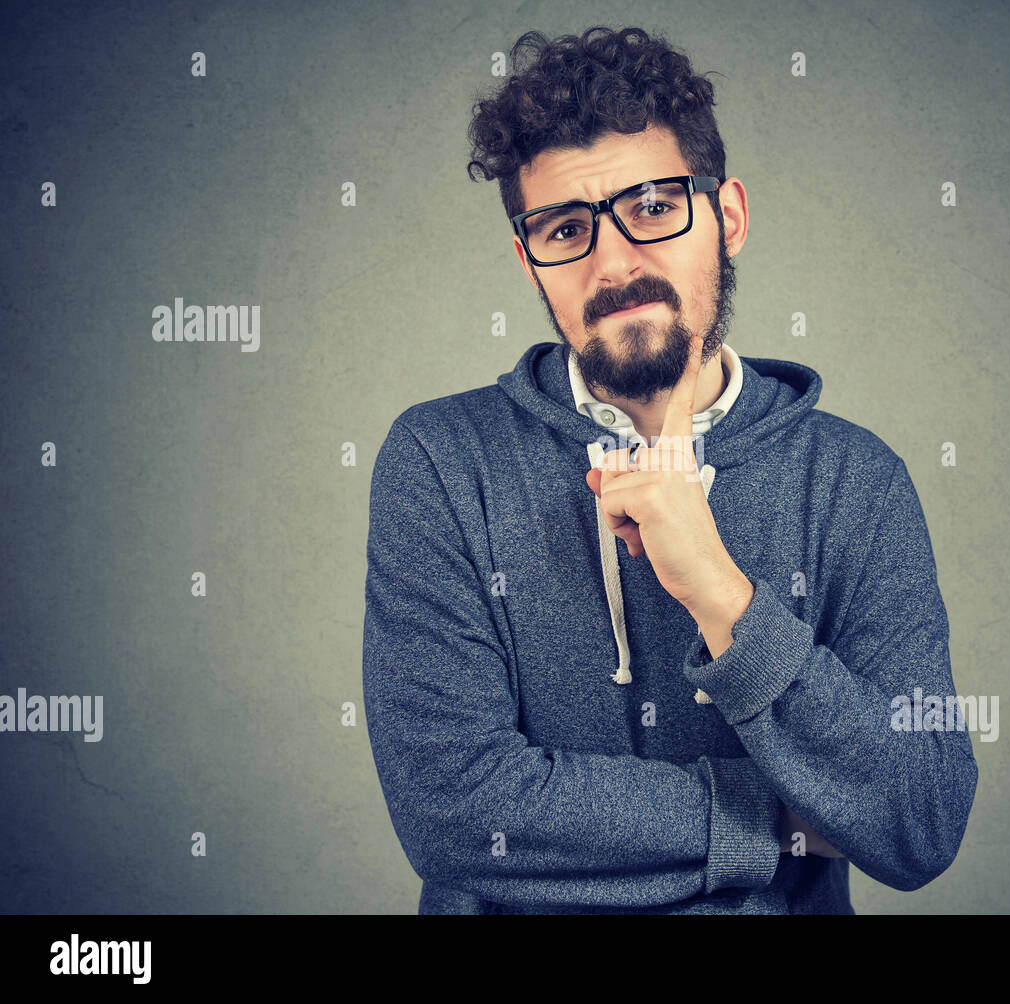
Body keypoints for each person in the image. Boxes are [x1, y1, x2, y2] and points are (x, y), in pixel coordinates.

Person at [362, 25, 977, 914]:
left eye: (652, 207)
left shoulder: (855, 481)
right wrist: (779, 820)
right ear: (528, 257)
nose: (614, 264)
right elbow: (454, 812)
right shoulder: (441, 463)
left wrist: (723, 595)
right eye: (566, 229)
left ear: (727, 215)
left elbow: (919, 820)